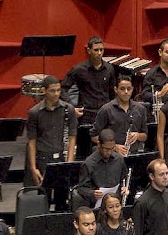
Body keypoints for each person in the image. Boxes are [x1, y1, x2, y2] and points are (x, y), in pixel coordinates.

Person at [26, 75, 80, 209]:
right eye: (52, 91)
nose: (56, 94)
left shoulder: (68, 109)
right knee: (44, 199)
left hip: (61, 158)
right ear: (44, 91)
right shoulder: (35, 112)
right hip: (43, 159)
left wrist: (69, 162)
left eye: (58, 90)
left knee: (62, 199)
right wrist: (33, 168)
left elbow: (72, 137)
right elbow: (32, 142)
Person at [94, 76, 150, 154]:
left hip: (134, 153)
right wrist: (113, 147)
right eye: (122, 89)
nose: (126, 92)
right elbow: (94, 136)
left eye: (129, 89)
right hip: (112, 155)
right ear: (116, 89)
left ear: (132, 89)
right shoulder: (106, 109)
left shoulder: (141, 109)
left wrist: (137, 135)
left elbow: (145, 136)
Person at [64, 36, 116, 119]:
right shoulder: (79, 69)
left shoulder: (109, 69)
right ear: (89, 51)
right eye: (96, 50)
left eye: (101, 50)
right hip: (86, 114)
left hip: (105, 113)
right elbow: (63, 89)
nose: (99, 53)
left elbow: (112, 93)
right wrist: (71, 107)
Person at [78, 129, 128, 212]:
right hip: (98, 208)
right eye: (106, 149)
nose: (109, 152)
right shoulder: (88, 164)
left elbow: (124, 179)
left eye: (112, 148)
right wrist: (92, 193)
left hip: (116, 206)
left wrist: (124, 188)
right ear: (99, 145)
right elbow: (81, 188)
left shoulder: (119, 159)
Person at [140, 38, 168, 104]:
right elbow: (144, 95)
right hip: (158, 107)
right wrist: (159, 94)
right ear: (160, 52)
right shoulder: (151, 73)